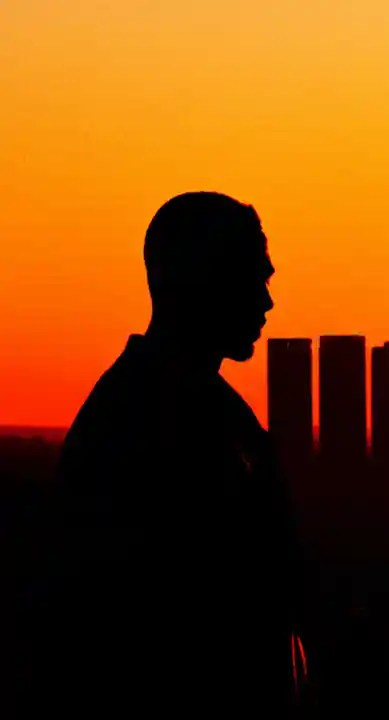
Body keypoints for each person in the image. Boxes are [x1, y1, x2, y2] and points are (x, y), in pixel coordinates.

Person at [32, 192, 301, 714]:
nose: (267, 301)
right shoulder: (142, 419)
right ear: (203, 281)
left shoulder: (205, 408)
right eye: (254, 277)